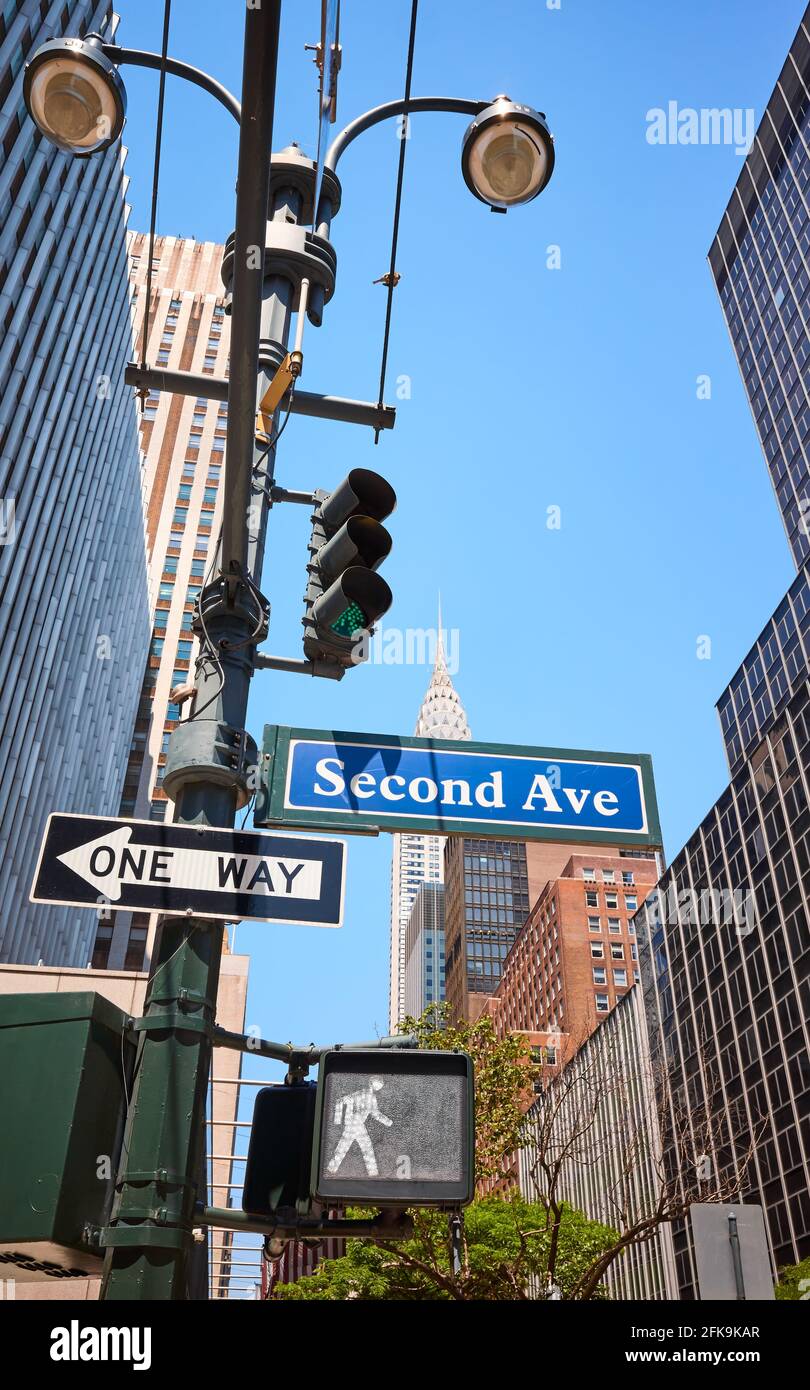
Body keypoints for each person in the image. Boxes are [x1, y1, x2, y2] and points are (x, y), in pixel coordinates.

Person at [327, 1078, 393, 1177]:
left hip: (355, 1124)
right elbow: (375, 1113)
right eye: (378, 1084)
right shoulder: (364, 1095)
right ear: (372, 1083)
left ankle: (332, 1168)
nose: (378, 1087)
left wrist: (387, 1121)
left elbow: (375, 1113)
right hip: (354, 1124)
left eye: (380, 1085)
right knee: (363, 1148)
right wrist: (388, 1122)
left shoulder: (365, 1095)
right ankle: (373, 1173)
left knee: (346, 1147)